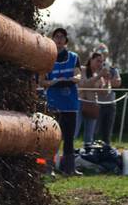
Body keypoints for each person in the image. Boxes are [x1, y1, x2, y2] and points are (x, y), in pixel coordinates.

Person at [42, 28, 81, 175]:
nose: (59, 39)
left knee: (69, 138)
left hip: (70, 105)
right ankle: (48, 168)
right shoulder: (47, 57)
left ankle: (69, 169)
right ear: (52, 39)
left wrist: (71, 80)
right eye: (56, 36)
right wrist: (54, 82)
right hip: (53, 104)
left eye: (62, 37)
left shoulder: (73, 57)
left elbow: (78, 76)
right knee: (51, 138)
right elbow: (42, 81)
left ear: (66, 40)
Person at [79, 51, 112, 144]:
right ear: (91, 60)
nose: (100, 64)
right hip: (80, 104)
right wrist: (99, 75)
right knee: (74, 132)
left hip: (92, 106)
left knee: (89, 137)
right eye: (98, 61)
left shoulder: (99, 75)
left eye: (102, 62)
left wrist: (108, 80)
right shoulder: (82, 70)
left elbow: (105, 92)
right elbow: (83, 85)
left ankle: (87, 155)